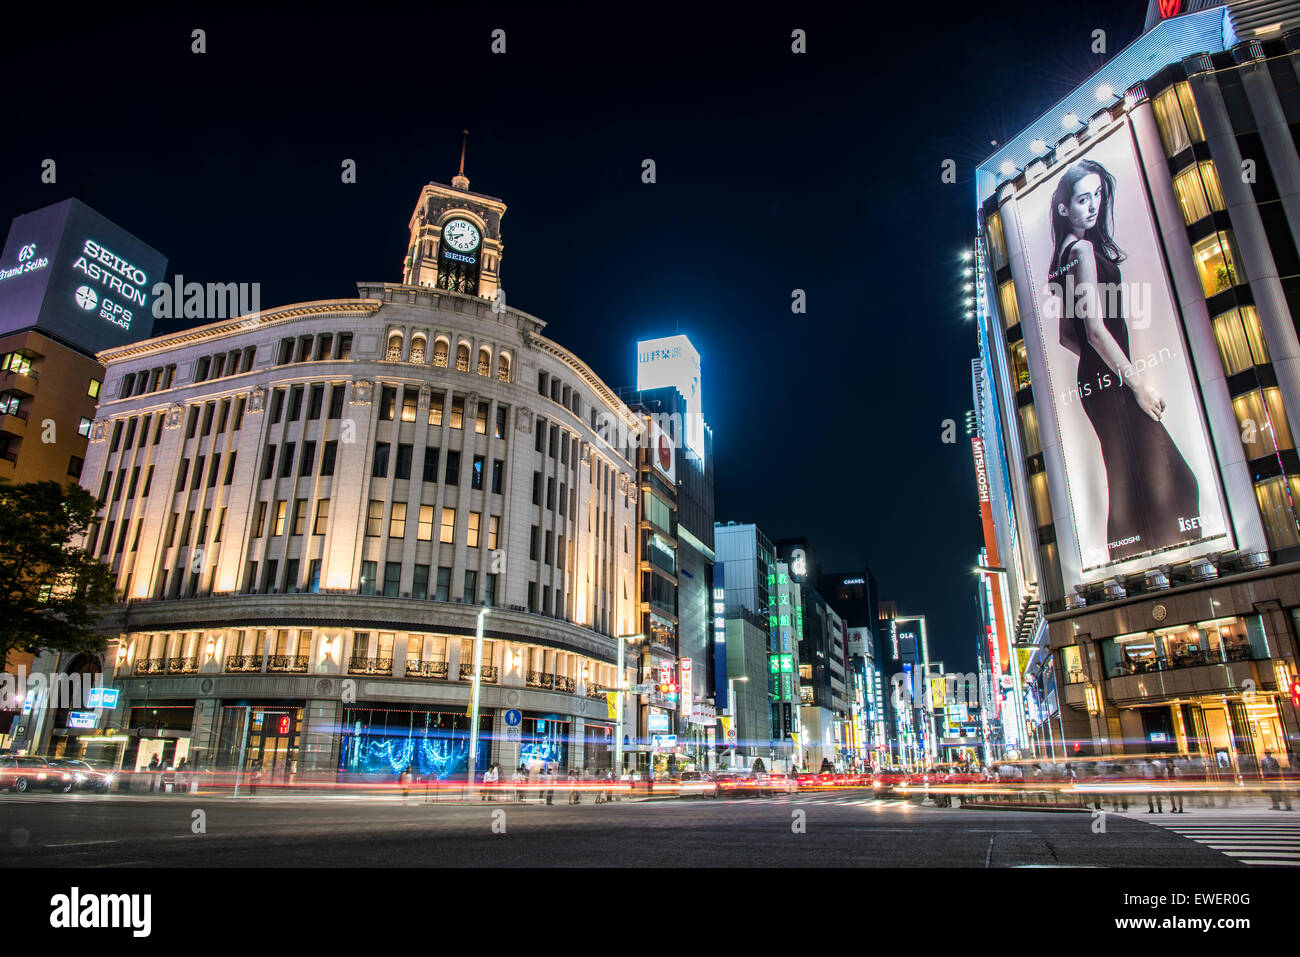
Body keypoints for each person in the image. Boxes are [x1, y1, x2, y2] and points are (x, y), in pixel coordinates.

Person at [1048, 158, 1199, 564]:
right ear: (1064, 208)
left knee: (1128, 479)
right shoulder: (1080, 249)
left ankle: (1128, 567)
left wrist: (1100, 365)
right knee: (1170, 481)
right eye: (1083, 199)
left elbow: (1068, 335)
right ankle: (1154, 569)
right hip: (1113, 382)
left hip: (1096, 380)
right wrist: (1135, 383)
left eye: (1098, 195)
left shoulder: (1060, 256)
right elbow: (1095, 330)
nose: (1093, 205)